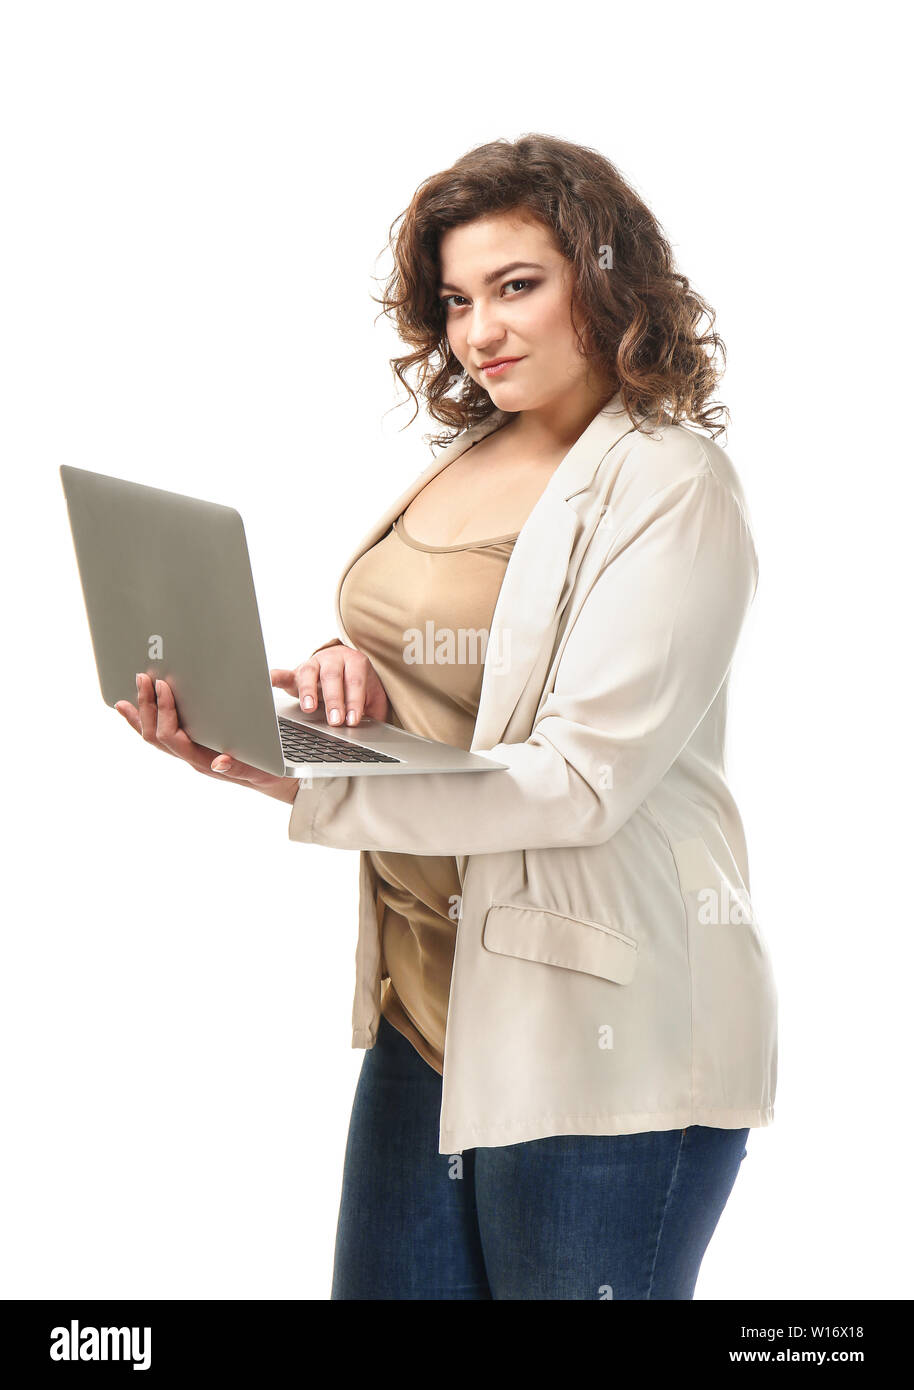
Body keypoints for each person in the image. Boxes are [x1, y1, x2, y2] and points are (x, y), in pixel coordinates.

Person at [116, 133, 777, 1300]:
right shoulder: (476, 451)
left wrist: (305, 779)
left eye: (517, 287)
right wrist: (336, 678)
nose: (480, 331)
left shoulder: (670, 484)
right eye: (457, 300)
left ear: (605, 276)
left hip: (592, 1032)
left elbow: (576, 780)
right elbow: (445, 657)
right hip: (430, 1011)